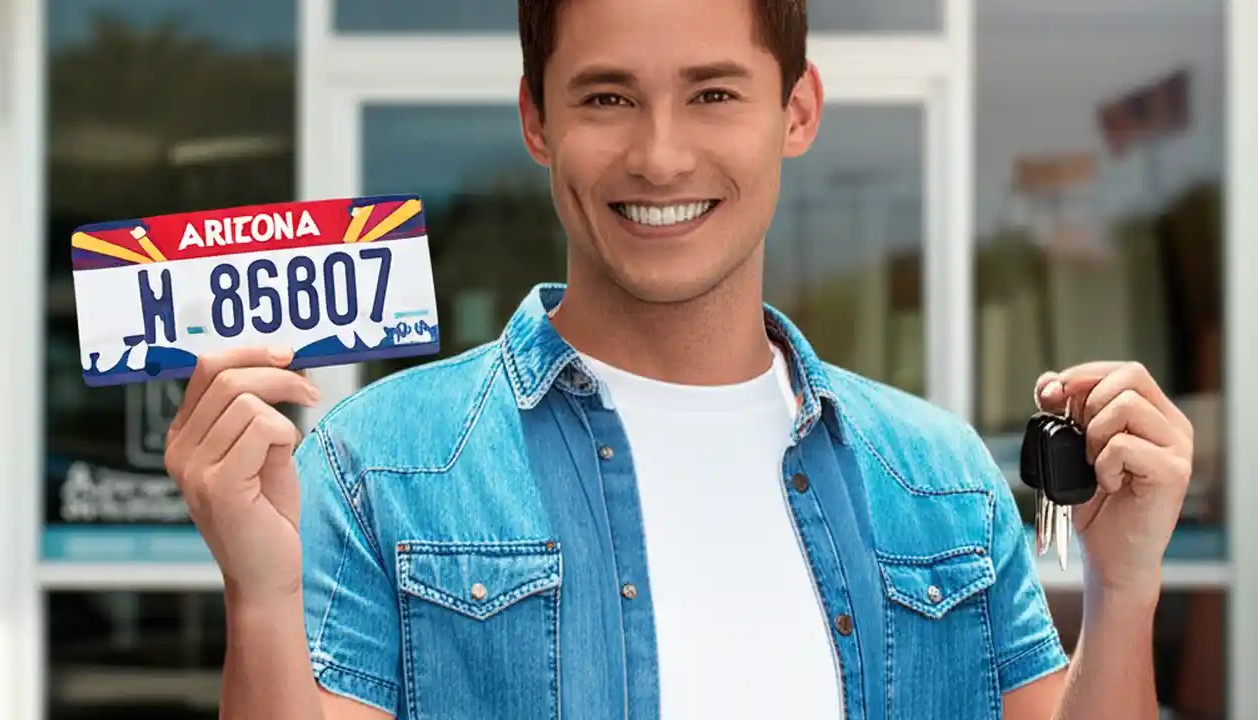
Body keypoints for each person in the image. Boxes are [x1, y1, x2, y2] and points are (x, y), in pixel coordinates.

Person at [163, 0, 1195, 718]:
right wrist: (259, 596)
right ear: (537, 118)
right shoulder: (374, 465)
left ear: (794, 112)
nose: (659, 156)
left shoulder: (935, 477)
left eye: (711, 94)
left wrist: (1123, 588)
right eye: (607, 97)